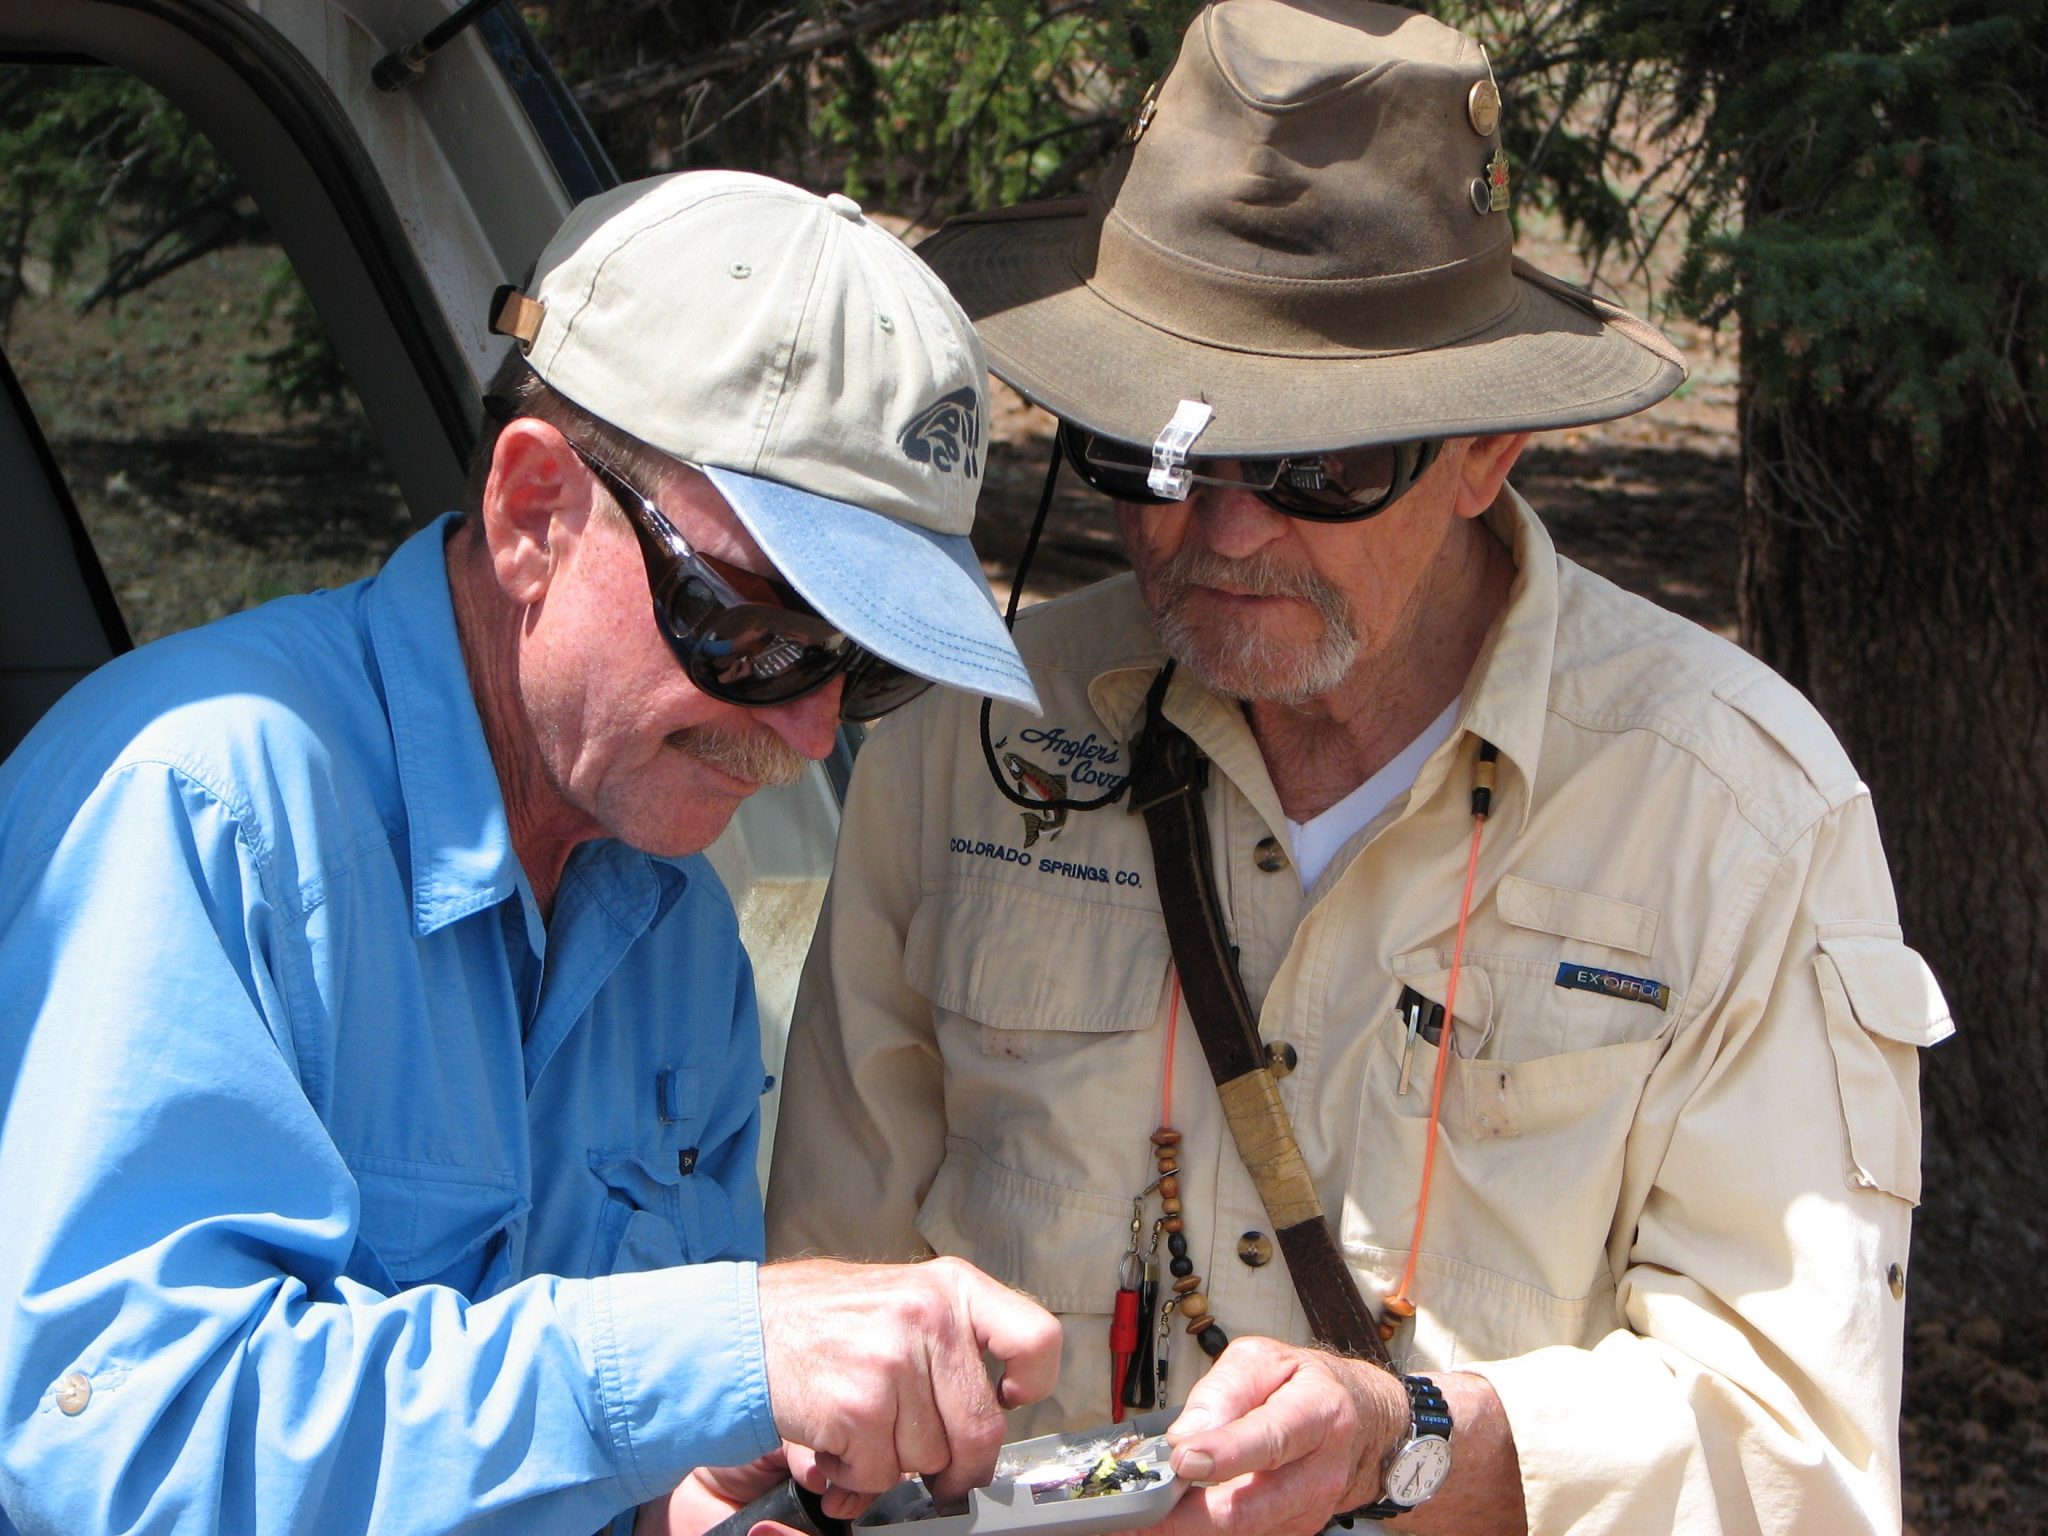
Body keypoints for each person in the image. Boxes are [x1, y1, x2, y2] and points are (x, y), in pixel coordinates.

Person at [765, 6, 1953, 1534]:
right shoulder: (972, 739)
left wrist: (1419, 1442)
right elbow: (826, 1306)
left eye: (1319, 465)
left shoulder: (1735, 816)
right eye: (1161, 456)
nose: (1224, 531)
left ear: (1488, 446)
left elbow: (1796, 1449)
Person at [0, 170, 1065, 1536]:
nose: (808, 732)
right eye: (761, 632)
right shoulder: (197, 807)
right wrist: (720, 1351)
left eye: (863, 672)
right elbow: (120, 1447)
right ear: (534, 511)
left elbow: (586, 1453)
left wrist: (698, 1496)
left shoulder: (677, 937)